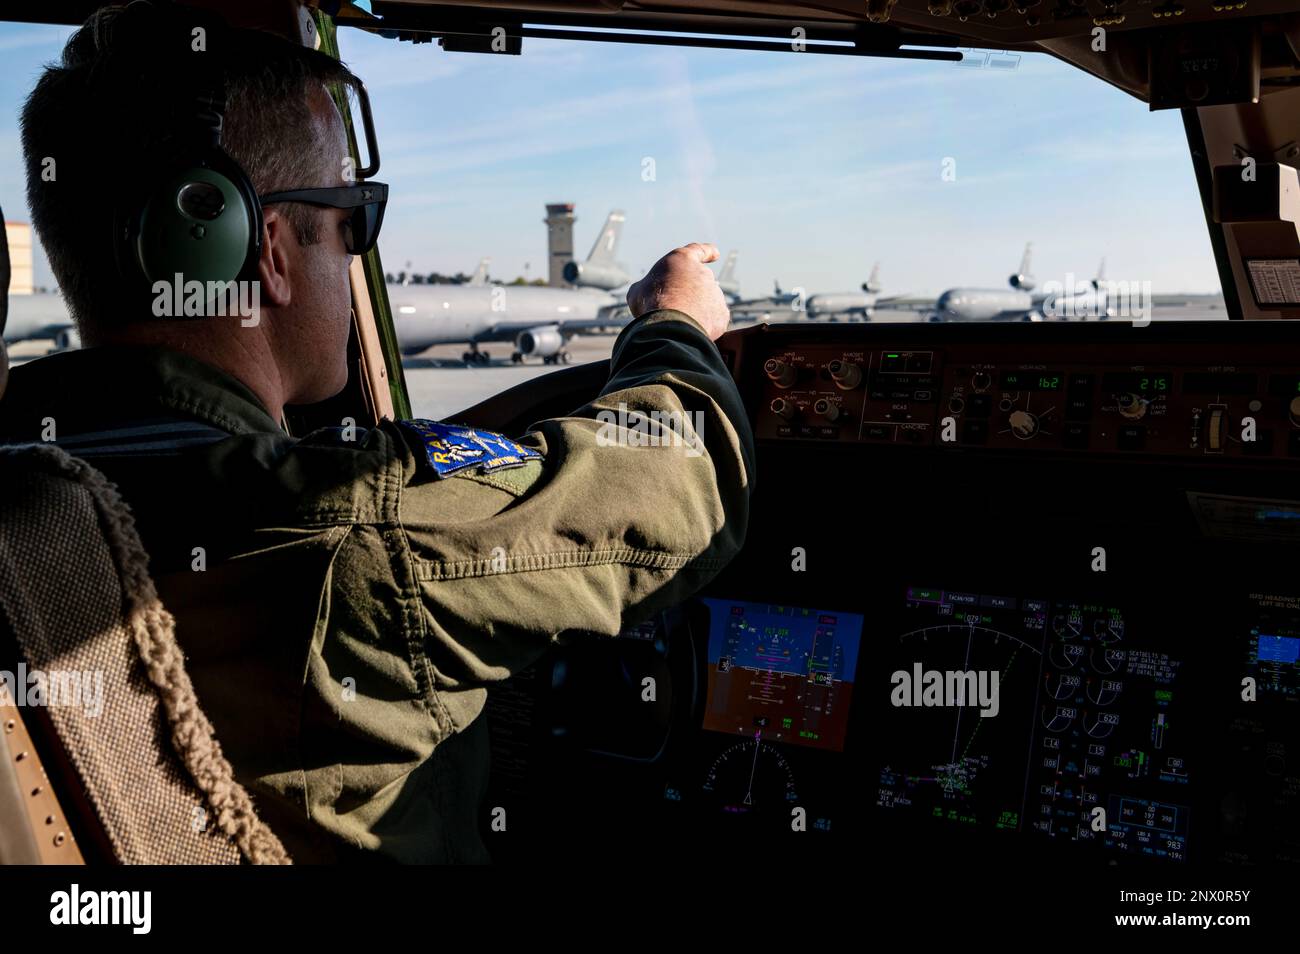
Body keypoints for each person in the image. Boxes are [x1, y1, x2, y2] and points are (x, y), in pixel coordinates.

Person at [0, 2, 753, 862]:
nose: (356, 254)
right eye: (354, 217)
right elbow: (683, 485)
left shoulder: (27, 483)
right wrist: (676, 327)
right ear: (260, 251)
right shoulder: (347, 530)